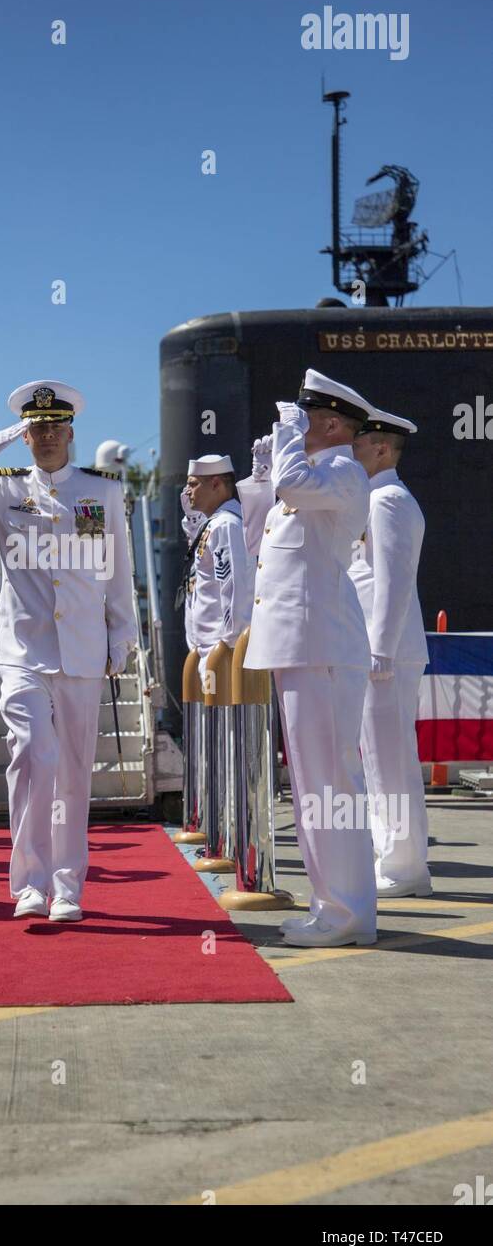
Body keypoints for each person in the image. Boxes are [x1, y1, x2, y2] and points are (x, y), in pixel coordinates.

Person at [0, 380, 138, 923]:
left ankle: (67, 887)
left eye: (53, 427)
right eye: (35, 429)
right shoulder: (0, 490)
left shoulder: (102, 492)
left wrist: (121, 638)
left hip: (84, 653)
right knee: (32, 755)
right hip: (22, 652)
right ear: (24, 436)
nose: (45, 437)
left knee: (73, 771)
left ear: (70, 431)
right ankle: (29, 883)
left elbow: (118, 575)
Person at [243, 369, 377, 948]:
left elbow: (292, 485)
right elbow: (257, 541)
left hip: (322, 647)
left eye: (302, 418)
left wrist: (286, 442)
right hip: (302, 648)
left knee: (330, 785)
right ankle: (333, 906)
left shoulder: (342, 472)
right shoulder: (308, 477)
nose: (290, 427)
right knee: (312, 785)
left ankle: (346, 913)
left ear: (326, 422)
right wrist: (260, 473)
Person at [350, 408, 431, 897]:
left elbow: (394, 581)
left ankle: (402, 866)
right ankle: (399, 860)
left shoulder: (389, 500)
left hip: (389, 653)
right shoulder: (375, 499)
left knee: (390, 761)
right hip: (378, 650)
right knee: (379, 760)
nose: (352, 452)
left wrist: (379, 650)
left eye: (359, 444)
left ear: (381, 447)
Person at [179, 453, 255, 690]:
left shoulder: (226, 525)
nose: (187, 491)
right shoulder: (213, 524)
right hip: (207, 650)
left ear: (216, 484)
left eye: (193, 484)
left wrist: (230, 645)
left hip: (221, 651)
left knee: (227, 725)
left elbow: (233, 586)